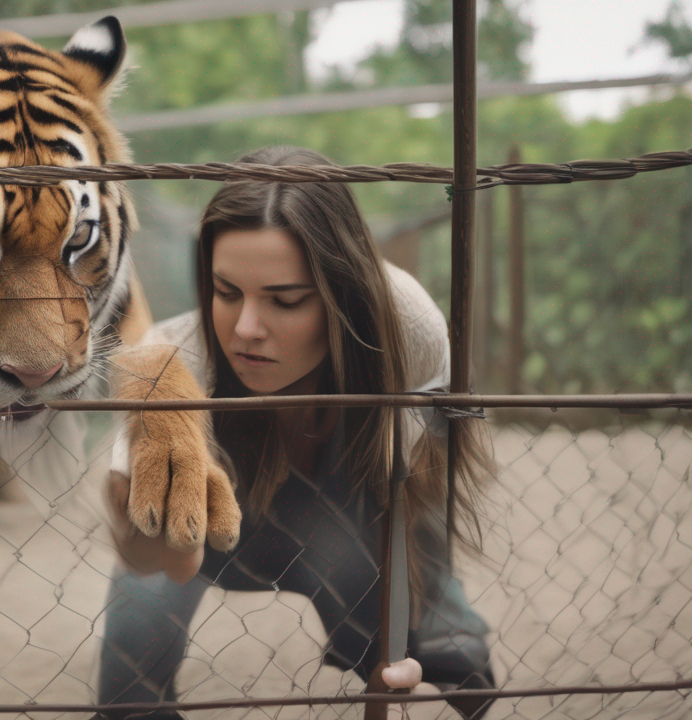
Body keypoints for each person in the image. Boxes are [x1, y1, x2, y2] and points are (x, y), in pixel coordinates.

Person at [98, 146, 495, 719]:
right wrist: (135, 508)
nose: (246, 330)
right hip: (222, 532)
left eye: (285, 300)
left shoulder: (405, 326)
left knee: (441, 652)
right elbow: (156, 559)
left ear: (341, 294)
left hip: (360, 498)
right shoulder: (170, 359)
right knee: (126, 677)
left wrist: (403, 637)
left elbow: (405, 494)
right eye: (226, 292)